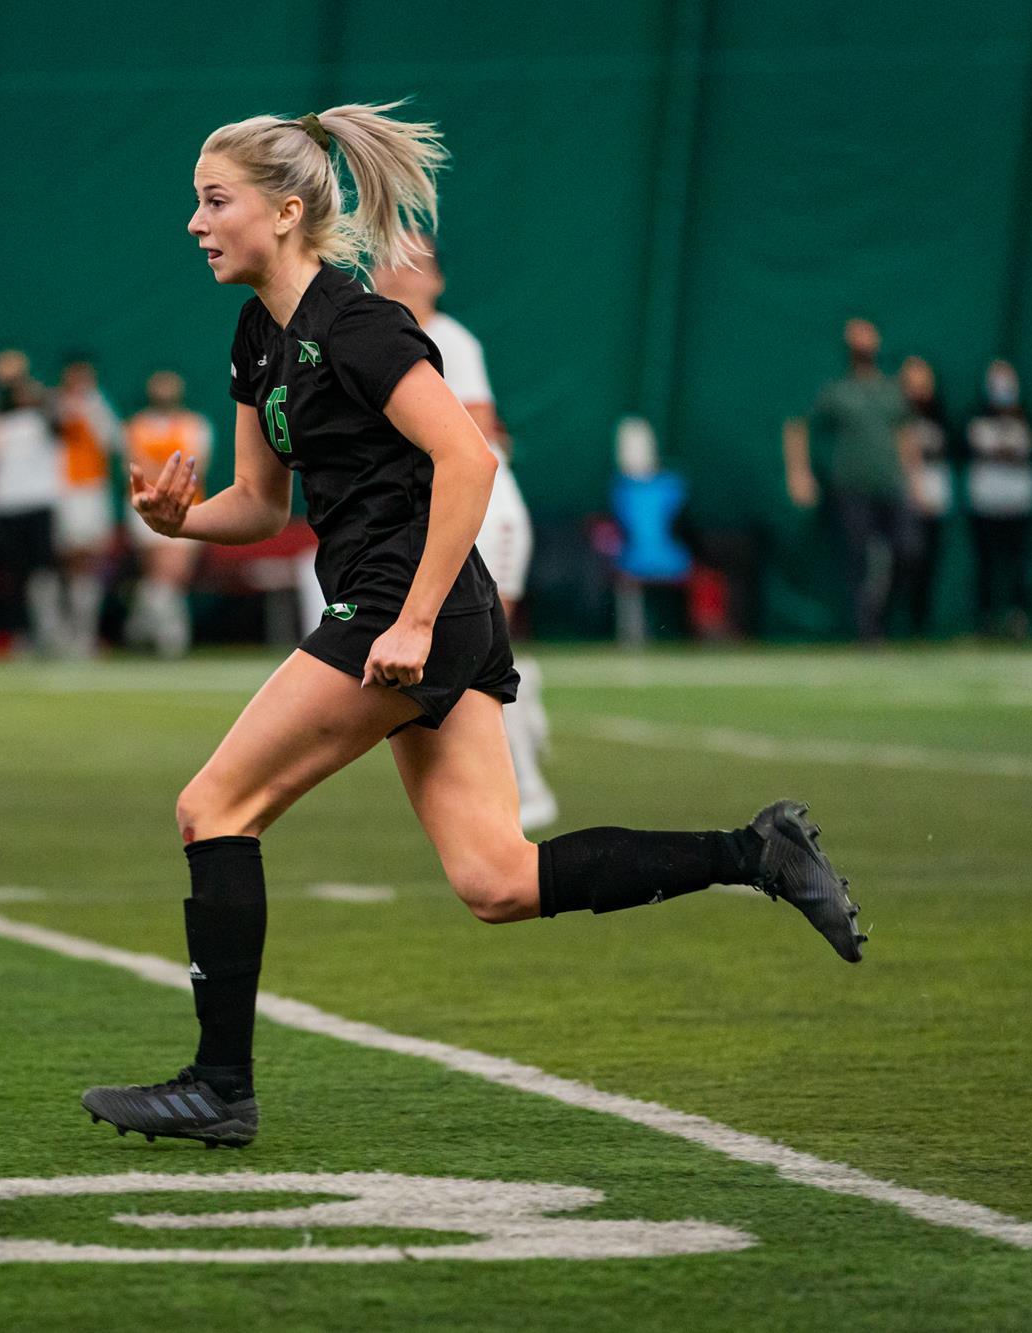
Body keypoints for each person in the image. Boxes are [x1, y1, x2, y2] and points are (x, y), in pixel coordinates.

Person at [80, 102, 863, 1149]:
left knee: (212, 805)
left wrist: (404, 623)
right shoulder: (258, 335)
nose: (193, 222)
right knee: (496, 878)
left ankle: (219, 1086)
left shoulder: (356, 325)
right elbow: (261, 506)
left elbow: (469, 460)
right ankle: (753, 850)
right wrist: (181, 521)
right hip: (415, 612)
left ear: (286, 208)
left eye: (212, 200)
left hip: (404, 612)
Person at [370, 234, 554, 830]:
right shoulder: (372, 340)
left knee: (481, 654)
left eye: (414, 264)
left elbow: (476, 434)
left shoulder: (451, 341)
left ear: (438, 281)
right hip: (442, 518)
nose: (397, 273)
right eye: (385, 261)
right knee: (469, 652)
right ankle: (509, 776)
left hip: (487, 515)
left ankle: (528, 789)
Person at [783, 319, 919, 642]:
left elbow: (905, 434)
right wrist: (799, 472)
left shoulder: (890, 392)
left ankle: (882, 616)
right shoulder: (838, 391)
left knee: (909, 551)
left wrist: (914, 478)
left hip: (890, 485)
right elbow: (798, 424)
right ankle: (867, 633)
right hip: (852, 487)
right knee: (857, 560)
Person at [122, 371, 212, 658]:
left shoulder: (194, 424)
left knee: (172, 575)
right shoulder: (137, 425)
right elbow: (135, 464)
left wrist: (160, 473)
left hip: (186, 506)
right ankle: (164, 637)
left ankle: (154, 632)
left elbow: (196, 465)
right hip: (145, 505)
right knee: (157, 574)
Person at [0, 350, 67, 655]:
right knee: (13, 574)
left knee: (44, 569)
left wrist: (39, 400)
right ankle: (22, 635)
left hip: (40, 501)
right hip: (6, 503)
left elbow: (59, 427)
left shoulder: (42, 409)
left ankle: (50, 630)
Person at [961, 359, 1032, 639]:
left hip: (1019, 503)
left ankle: (1019, 618)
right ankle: (986, 621)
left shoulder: (1026, 420)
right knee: (987, 565)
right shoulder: (976, 419)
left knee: (1019, 564)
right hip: (985, 502)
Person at [53, 358, 121, 657]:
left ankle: (85, 631)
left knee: (90, 561)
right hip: (58, 493)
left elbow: (113, 442)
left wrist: (90, 406)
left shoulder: (98, 406)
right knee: (62, 562)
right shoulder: (54, 406)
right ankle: (58, 631)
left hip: (90, 491)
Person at [609, 416, 692, 648]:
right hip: (657, 560)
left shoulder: (624, 489)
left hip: (654, 560)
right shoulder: (667, 485)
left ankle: (635, 639)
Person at [897, 355, 951, 637]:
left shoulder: (939, 414)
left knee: (928, 562)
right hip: (901, 498)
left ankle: (920, 624)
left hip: (934, 498)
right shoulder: (896, 415)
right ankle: (889, 625)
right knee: (904, 560)